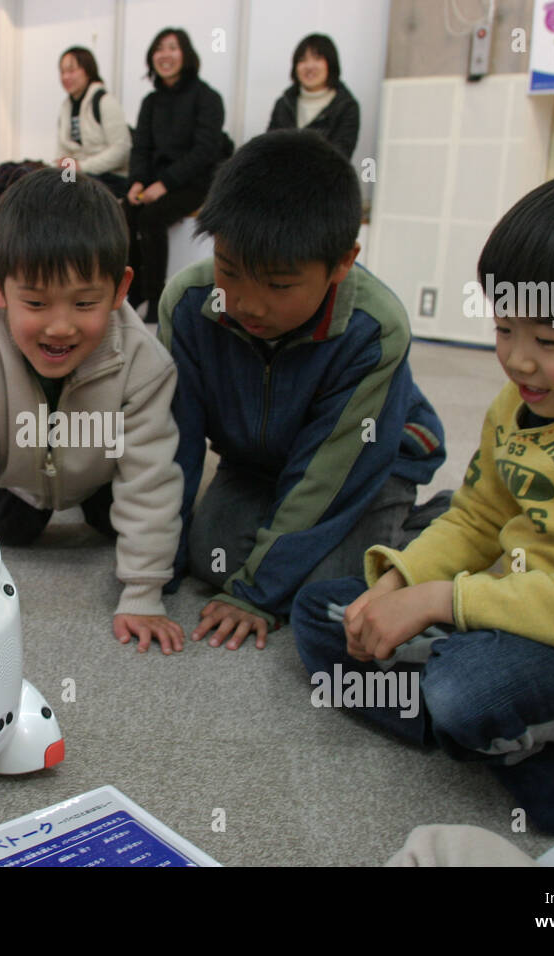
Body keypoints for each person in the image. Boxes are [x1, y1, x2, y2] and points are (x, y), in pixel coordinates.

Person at [292, 171, 554, 836]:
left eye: (548, 342)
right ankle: (508, 731)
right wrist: (403, 582)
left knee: (465, 689)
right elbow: (478, 516)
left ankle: (506, 735)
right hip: (517, 612)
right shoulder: (522, 402)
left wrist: (439, 601)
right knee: (324, 612)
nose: (518, 361)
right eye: (504, 328)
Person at [158, 131, 445, 652]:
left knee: (325, 589)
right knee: (210, 554)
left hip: (368, 462)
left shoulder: (374, 327)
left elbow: (329, 476)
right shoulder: (188, 304)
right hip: (259, 460)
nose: (249, 303)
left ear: (342, 261)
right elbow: (174, 440)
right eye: (229, 270)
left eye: (279, 285)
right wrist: (156, 567)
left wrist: (255, 595)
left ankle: (443, 527)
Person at [0, 169, 186, 655]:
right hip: (16, 477)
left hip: (98, 474)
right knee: (7, 534)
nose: (60, 326)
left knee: (148, 535)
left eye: (85, 302)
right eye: (37, 302)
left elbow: (149, 478)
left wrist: (143, 591)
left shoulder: (145, 363)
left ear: (120, 288)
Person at [126, 27, 227, 323]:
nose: (165, 55)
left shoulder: (207, 97)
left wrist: (165, 183)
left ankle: (157, 299)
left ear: (186, 54)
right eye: (159, 49)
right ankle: (133, 293)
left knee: (151, 217)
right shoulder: (151, 102)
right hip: (156, 181)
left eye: (172, 47)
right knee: (126, 211)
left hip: (194, 181)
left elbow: (205, 151)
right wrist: (137, 181)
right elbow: (141, 147)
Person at [267, 33, 360, 160]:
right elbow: (268, 150)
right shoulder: (284, 104)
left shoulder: (345, 107)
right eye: (302, 60)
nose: (309, 66)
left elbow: (340, 157)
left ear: (331, 63)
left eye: (317, 58)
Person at [54, 46, 131, 198]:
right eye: (62, 72)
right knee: (36, 184)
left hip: (109, 177)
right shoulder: (65, 108)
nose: (65, 77)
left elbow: (121, 149)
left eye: (71, 70)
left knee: (71, 194)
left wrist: (81, 167)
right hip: (76, 175)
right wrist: (63, 164)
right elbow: (62, 151)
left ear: (88, 71)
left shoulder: (103, 101)